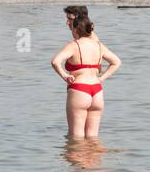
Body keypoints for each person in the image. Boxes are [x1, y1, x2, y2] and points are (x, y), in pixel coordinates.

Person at [51, 11, 121, 139]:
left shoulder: (74, 45)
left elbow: (55, 61)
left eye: (72, 27)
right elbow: (116, 62)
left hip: (80, 90)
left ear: (76, 29)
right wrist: (102, 78)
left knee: (76, 137)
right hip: (97, 91)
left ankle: (76, 159)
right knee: (93, 138)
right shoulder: (99, 45)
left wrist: (65, 75)